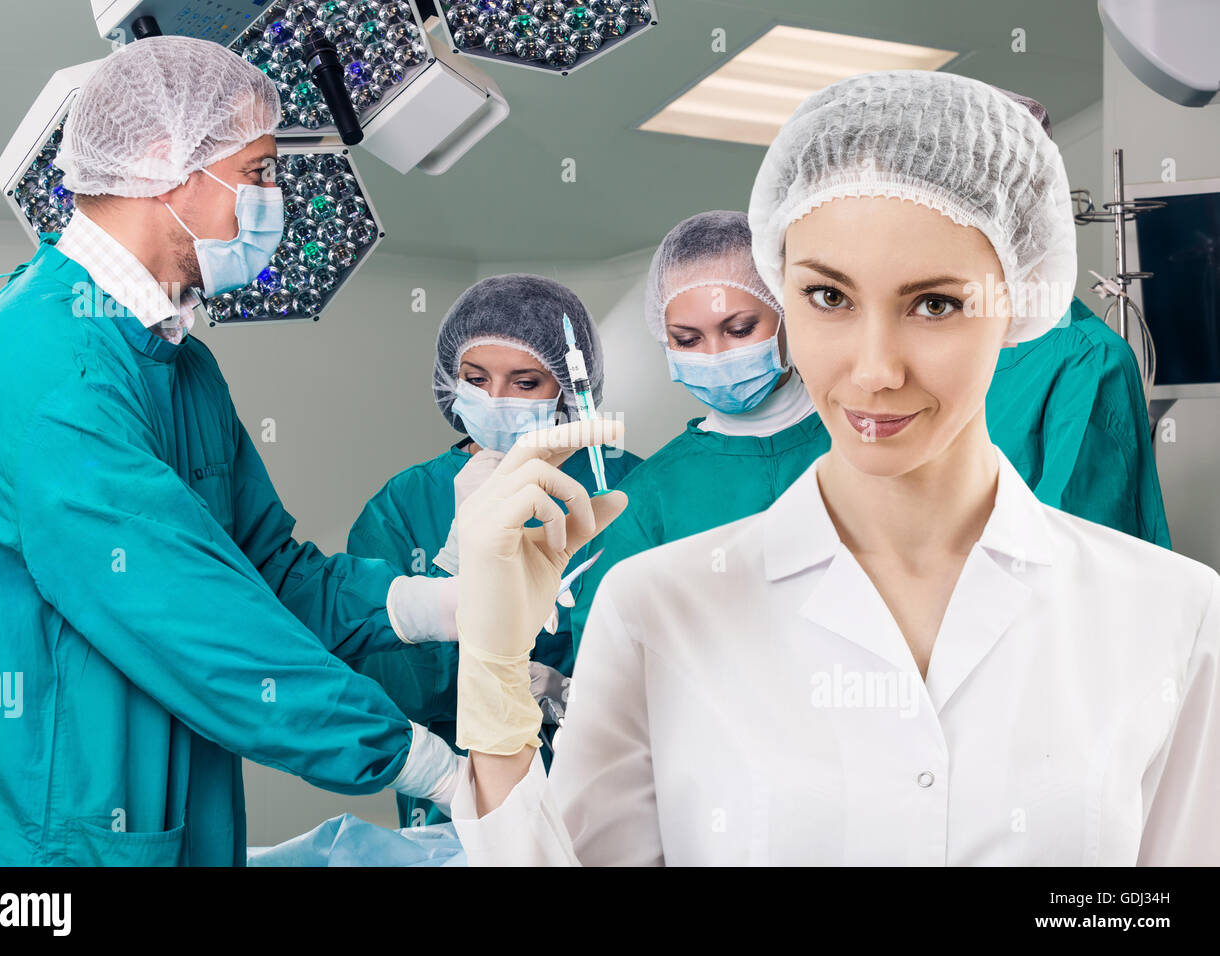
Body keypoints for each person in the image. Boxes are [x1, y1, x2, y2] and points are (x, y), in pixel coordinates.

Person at [446, 70, 1220, 865]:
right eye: (828, 297)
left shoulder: (1171, 617)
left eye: (934, 304)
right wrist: (496, 693)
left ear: (1021, 301)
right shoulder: (655, 609)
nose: (875, 370)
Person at [0, 37, 462, 866]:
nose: (276, 203)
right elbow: (203, 626)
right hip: (47, 848)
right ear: (160, 165)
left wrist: (437, 607)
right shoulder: (51, 369)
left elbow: (267, 576)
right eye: (258, 174)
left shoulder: (179, 363)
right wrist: (430, 766)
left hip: (160, 821)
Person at [570, 198, 1170, 655]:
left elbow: (1080, 580)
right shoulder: (648, 498)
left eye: (739, 328)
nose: (716, 354)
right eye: (687, 339)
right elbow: (618, 675)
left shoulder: (884, 436)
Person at [346, 274, 642, 827]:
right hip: (457, 808)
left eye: (525, 382)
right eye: (476, 380)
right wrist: (456, 560)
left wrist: (573, 694)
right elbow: (395, 689)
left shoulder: (624, 489)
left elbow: (671, 662)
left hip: (610, 795)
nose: (496, 400)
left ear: (570, 388)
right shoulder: (404, 505)